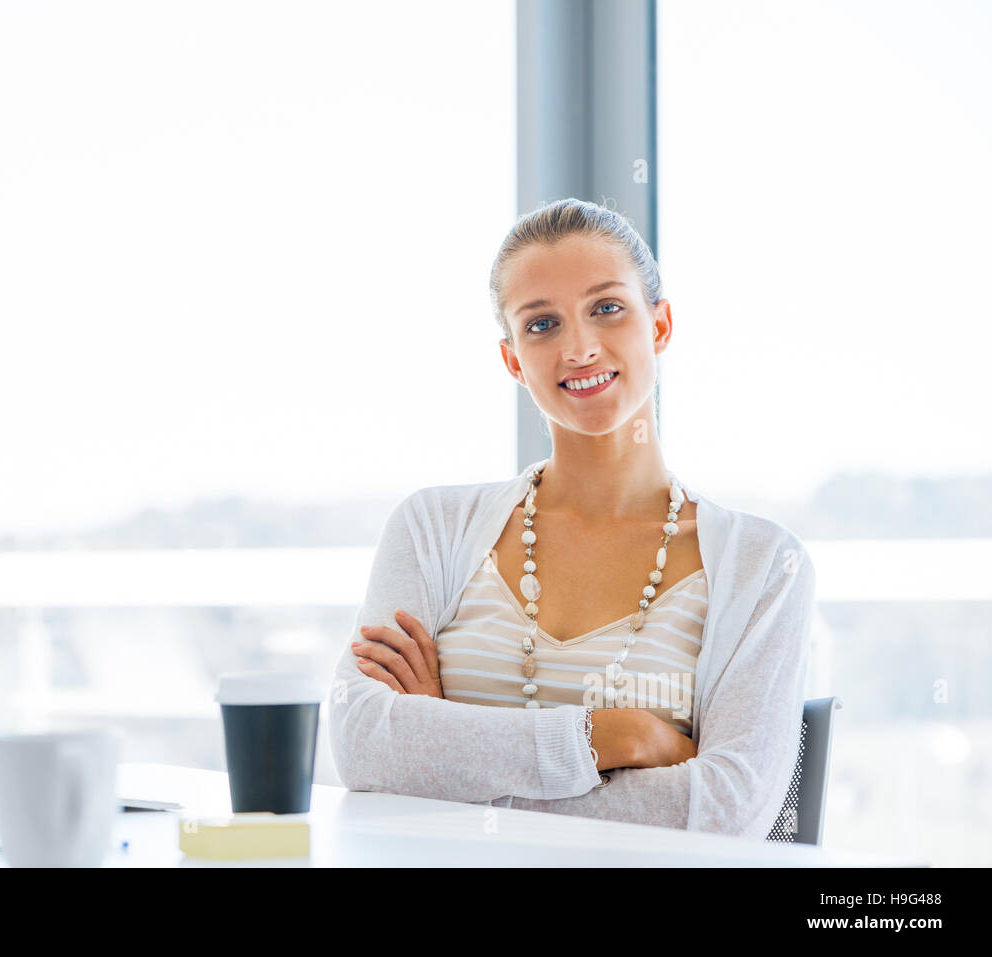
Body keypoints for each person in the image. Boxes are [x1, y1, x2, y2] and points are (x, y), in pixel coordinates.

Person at [327, 197, 817, 839]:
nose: (580, 347)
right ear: (512, 361)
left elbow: (727, 812)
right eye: (542, 325)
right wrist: (618, 736)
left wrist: (447, 753)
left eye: (607, 309)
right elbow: (363, 743)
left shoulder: (763, 565)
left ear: (660, 325)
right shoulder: (433, 528)